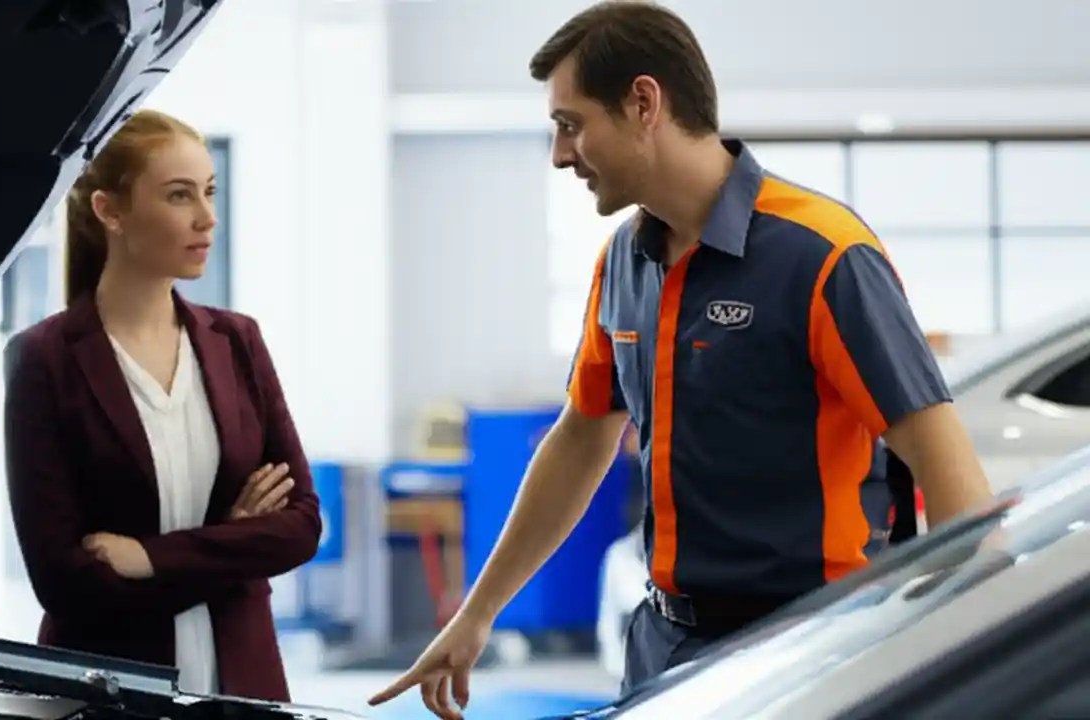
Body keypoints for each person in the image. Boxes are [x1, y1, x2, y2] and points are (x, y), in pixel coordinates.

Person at [369, 3, 995, 718]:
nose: (559, 154)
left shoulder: (821, 254)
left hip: (811, 646)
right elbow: (580, 438)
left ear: (643, 102)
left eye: (571, 125)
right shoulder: (623, 266)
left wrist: (955, 671)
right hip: (665, 646)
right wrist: (477, 613)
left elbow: (950, 475)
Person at [3, 108, 321, 702]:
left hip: (244, 685)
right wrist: (232, 545)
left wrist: (149, 556)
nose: (208, 218)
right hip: (105, 689)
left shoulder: (237, 342)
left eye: (209, 192)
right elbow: (65, 583)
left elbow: (301, 526)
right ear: (110, 210)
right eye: (179, 196)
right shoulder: (43, 358)